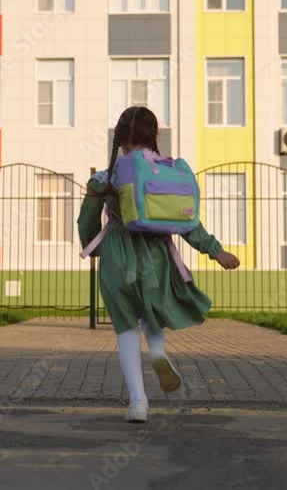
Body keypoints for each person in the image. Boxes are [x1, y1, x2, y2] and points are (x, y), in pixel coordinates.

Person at [77, 106, 240, 423]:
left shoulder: (104, 179)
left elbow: (87, 222)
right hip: (155, 258)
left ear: (119, 138)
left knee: (125, 329)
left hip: (116, 258)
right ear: (154, 136)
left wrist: (93, 248)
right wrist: (216, 251)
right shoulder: (166, 172)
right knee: (151, 313)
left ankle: (138, 403)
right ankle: (157, 350)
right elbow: (188, 223)